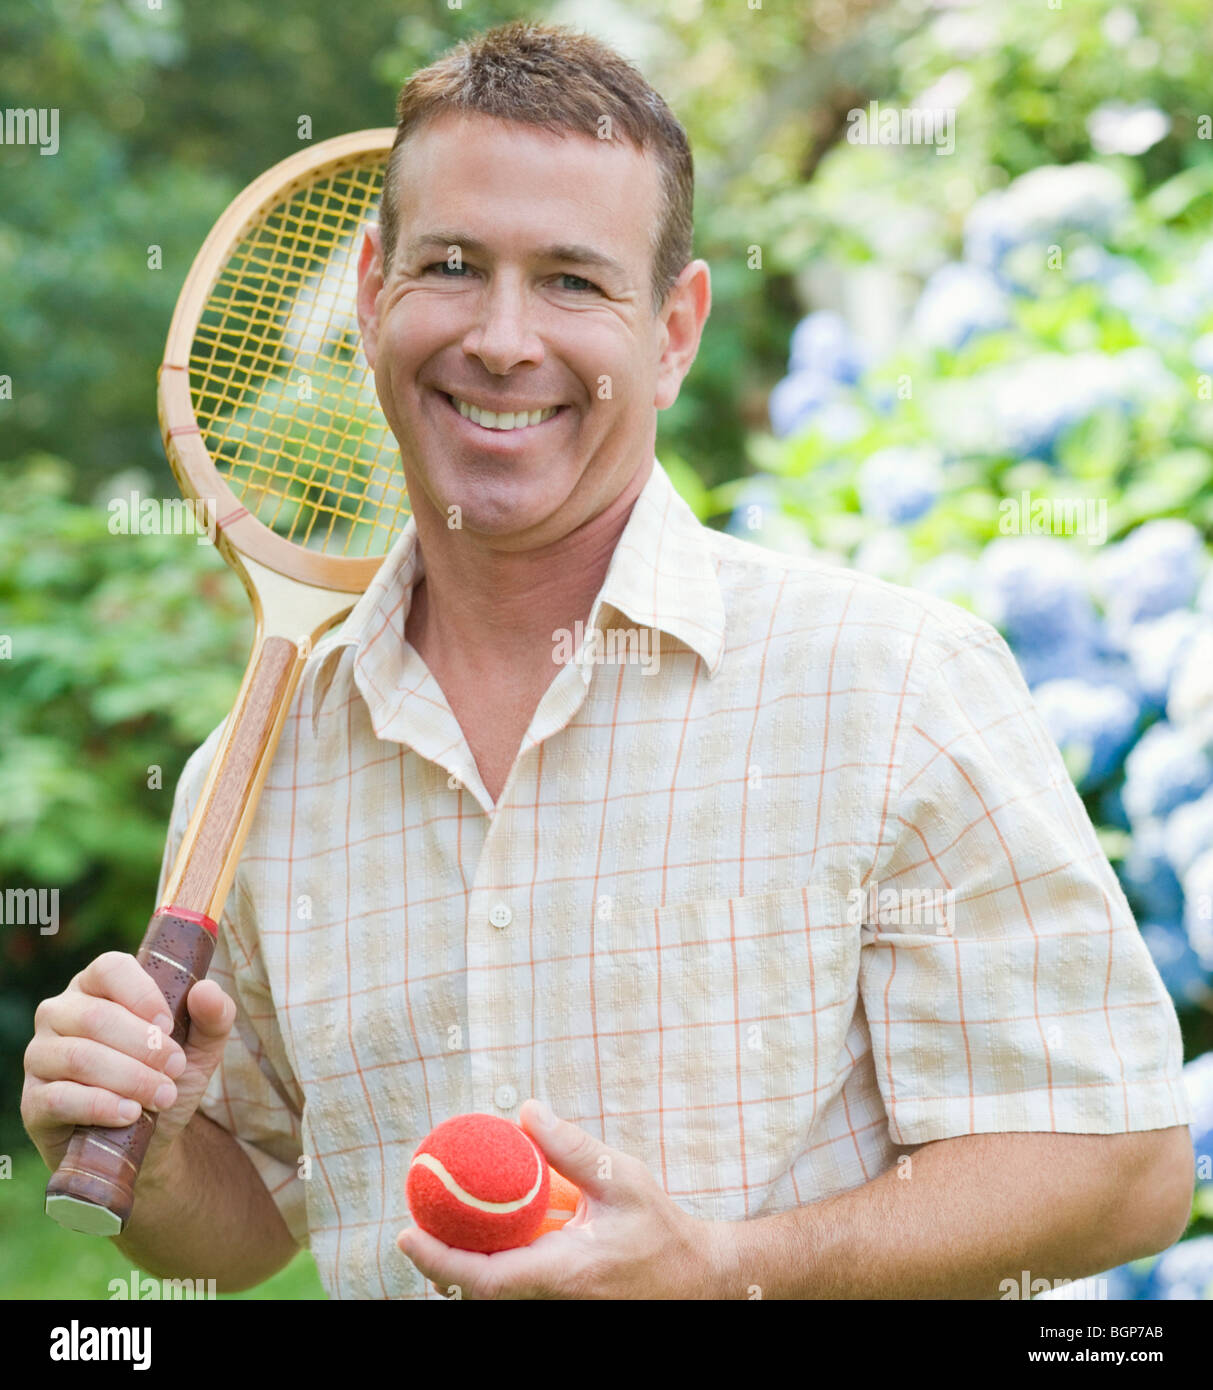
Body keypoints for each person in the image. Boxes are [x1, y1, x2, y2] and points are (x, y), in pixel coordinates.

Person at [22, 20, 1194, 1301]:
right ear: (372, 293)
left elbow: (1124, 1166)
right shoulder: (257, 777)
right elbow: (250, 1229)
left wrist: (735, 1267)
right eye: (454, 266)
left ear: (675, 329)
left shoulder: (895, 682)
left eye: (574, 280)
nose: (505, 339)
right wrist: (152, 1139)